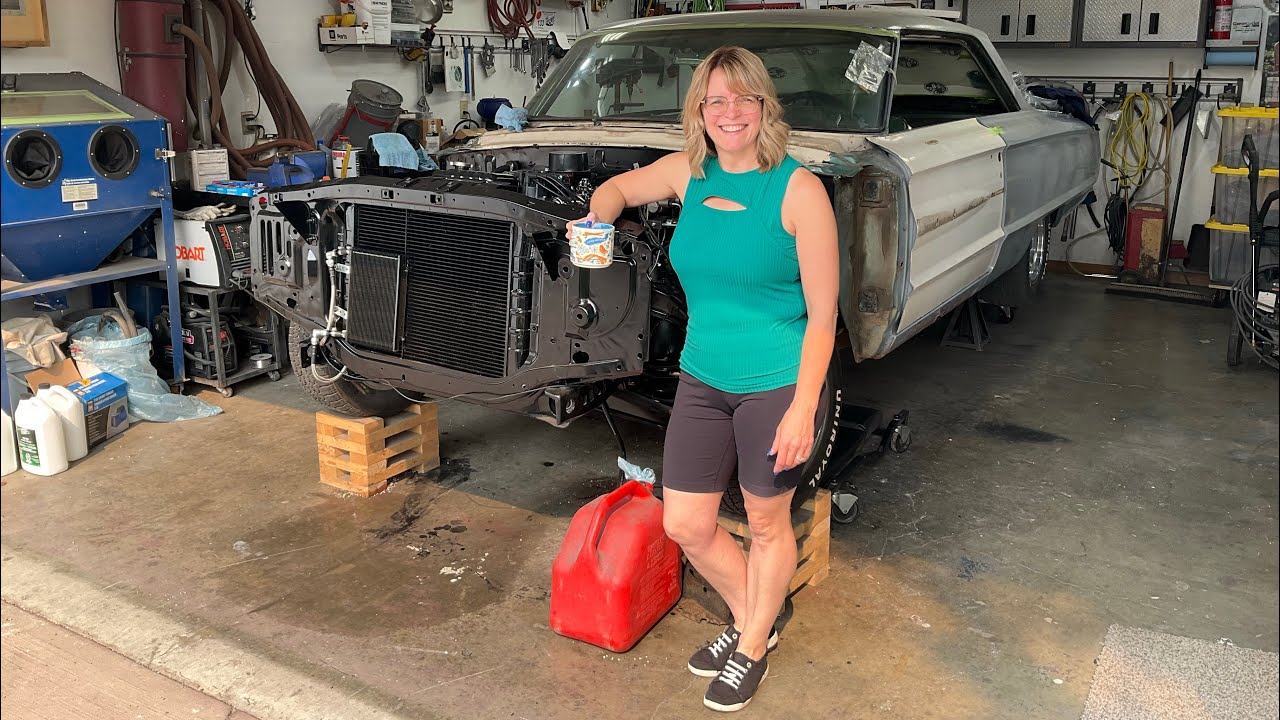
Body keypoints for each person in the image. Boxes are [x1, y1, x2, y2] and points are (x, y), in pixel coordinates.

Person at [568, 46, 840, 712]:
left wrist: (804, 406)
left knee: (767, 524)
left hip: (776, 382)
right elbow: (621, 188)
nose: (730, 113)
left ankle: (748, 644)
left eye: (743, 98)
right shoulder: (690, 174)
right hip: (703, 379)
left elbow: (825, 320)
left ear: (764, 107)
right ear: (699, 111)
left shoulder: (798, 190)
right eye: (715, 100)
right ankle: (759, 618)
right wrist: (598, 216)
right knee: (687, 523)